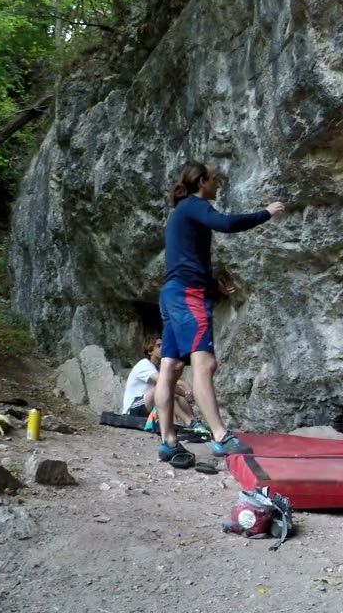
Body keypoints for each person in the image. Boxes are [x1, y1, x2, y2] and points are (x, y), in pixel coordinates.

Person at [153, 162, 285, 466]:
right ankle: (220, 436)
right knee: (205, 362)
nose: (218, 185)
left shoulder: (179, 213)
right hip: (187, 295)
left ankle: (168, 442)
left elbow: (184, 257)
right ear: (202, 181)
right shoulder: (194, 205)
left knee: (171, 367)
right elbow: (226, 224)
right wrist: (266, 212)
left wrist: (212, 285)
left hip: (172, 293)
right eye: (215, 180)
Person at [122, 336, 197, 427]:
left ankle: (194, 421)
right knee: (163, 388)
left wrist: (184, 386)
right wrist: (185, 394)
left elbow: (174, 382)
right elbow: (165, 382)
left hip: (147, 408)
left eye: (164, 345)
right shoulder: (144, 364)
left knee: (172, 388)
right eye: (158, 345)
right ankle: (189, 422)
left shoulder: (160, 367)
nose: (163, 348)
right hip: (132, 410)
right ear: (150, 351)